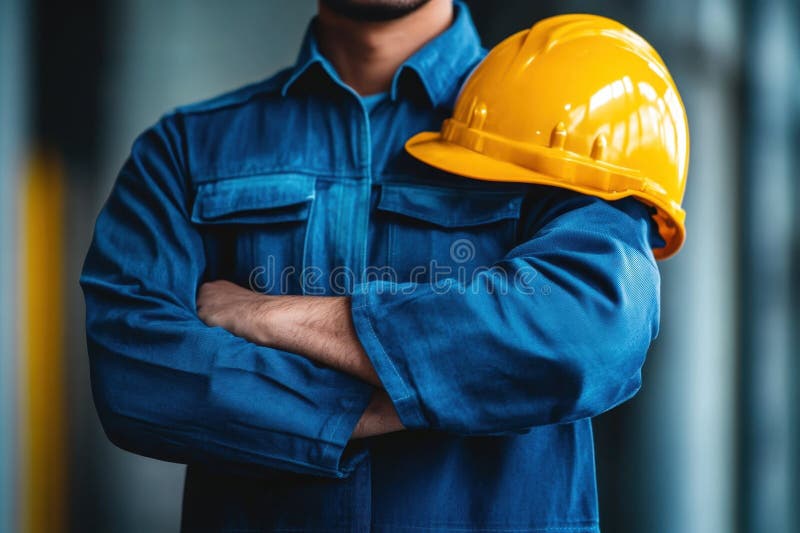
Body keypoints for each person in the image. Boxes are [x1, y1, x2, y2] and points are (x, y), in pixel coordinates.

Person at [81, 1, 685, 531]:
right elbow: (138, 377)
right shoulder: (185, 151)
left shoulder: (560, 114)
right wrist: (431, 393)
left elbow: (589, 327)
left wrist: (272, 316)